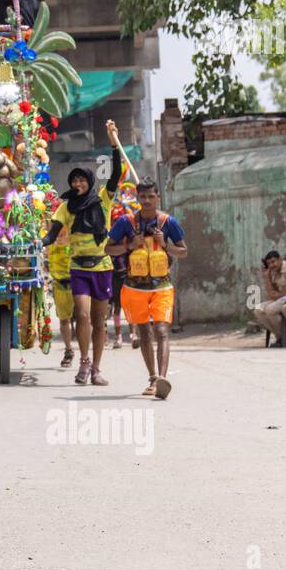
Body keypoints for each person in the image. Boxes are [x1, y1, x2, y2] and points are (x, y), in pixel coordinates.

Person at [41, 120, 122, 386]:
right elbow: (53, 232)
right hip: (79, 268)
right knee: (83, 315)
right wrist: (41, 240)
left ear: (88, 180)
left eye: (81, 179)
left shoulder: (104, 199)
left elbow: (116, 173)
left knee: (100, 322)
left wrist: (113, 142)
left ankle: (97, 368)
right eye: (74, 180)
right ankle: (84, 362)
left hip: (102, 267)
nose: (77, 183)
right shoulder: (66, 207)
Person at [106, 179, 187, 398]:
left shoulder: (168, 222)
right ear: (137, 198)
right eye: (143, 197)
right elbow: (108, 248)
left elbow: (183, 251)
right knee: (144, 332)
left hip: (162, 286)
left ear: (158, 197)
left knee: (161, 331)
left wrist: (165, 245)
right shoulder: (126, 222)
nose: (148, 201)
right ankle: (152, 378)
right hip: (134, 287)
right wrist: (129, 245)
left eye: (152, 196)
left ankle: (161, 379)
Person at [47, 223, 76, 368]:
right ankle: (69, 350)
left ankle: (86, 355)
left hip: (78, 281)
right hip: (60, 284)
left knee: (85, 317)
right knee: (64, 320)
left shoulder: (75, 240)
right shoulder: (49, 244)